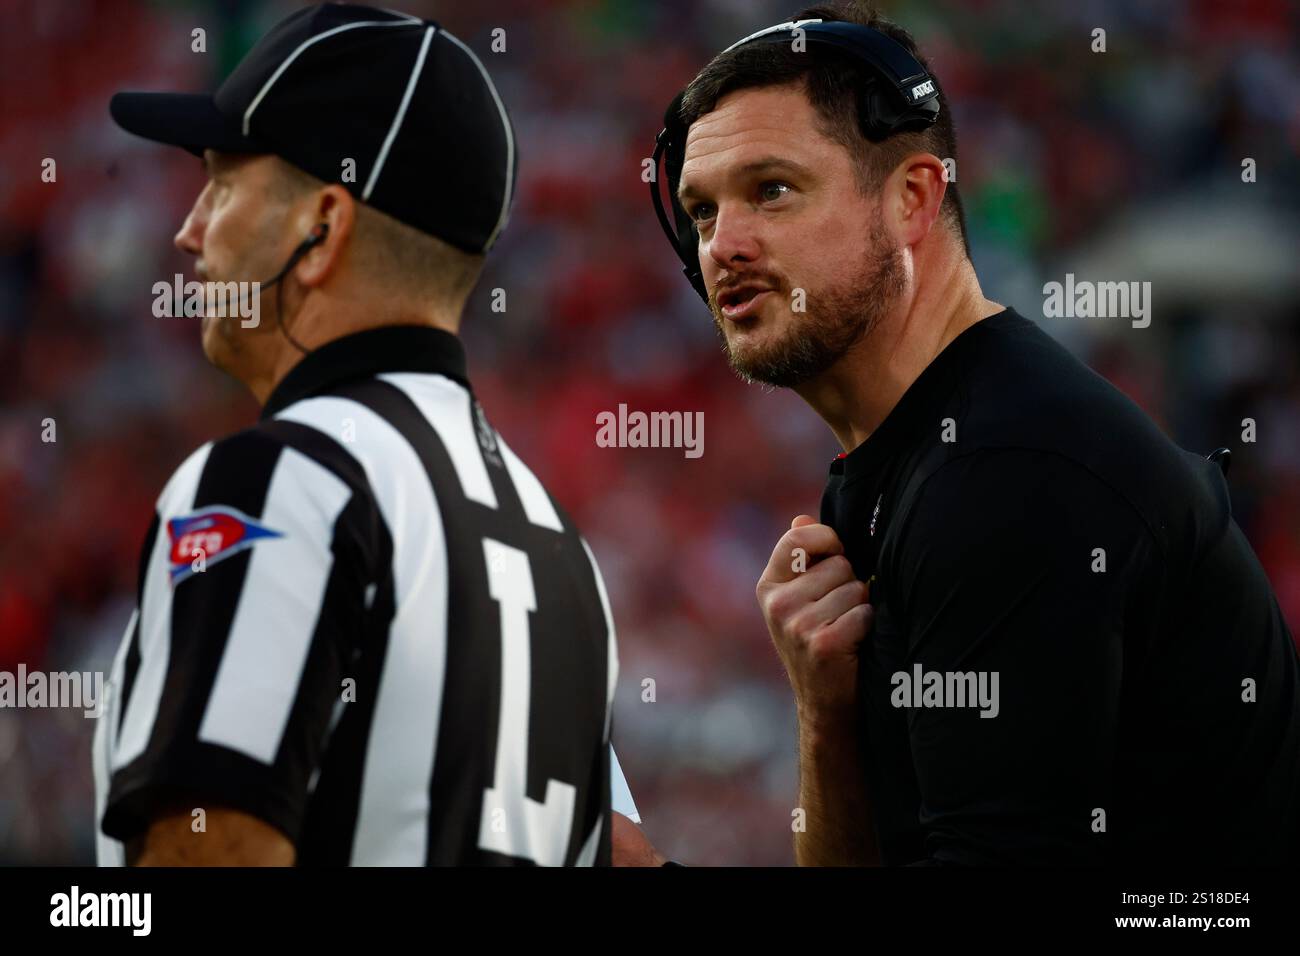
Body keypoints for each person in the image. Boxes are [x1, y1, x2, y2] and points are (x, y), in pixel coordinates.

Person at [620, 1, 1300, 865]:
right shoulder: (917, 452)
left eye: (772, 190)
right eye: (703, 212)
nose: (723, 245)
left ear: (912, 198)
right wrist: (826, 724)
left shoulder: (1010, 471)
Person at [94, 2, 625, 866]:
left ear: (321, 228)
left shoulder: (279, 483)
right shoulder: (569, 559)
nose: (187, 230)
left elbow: (215, 848)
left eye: (223, 183)